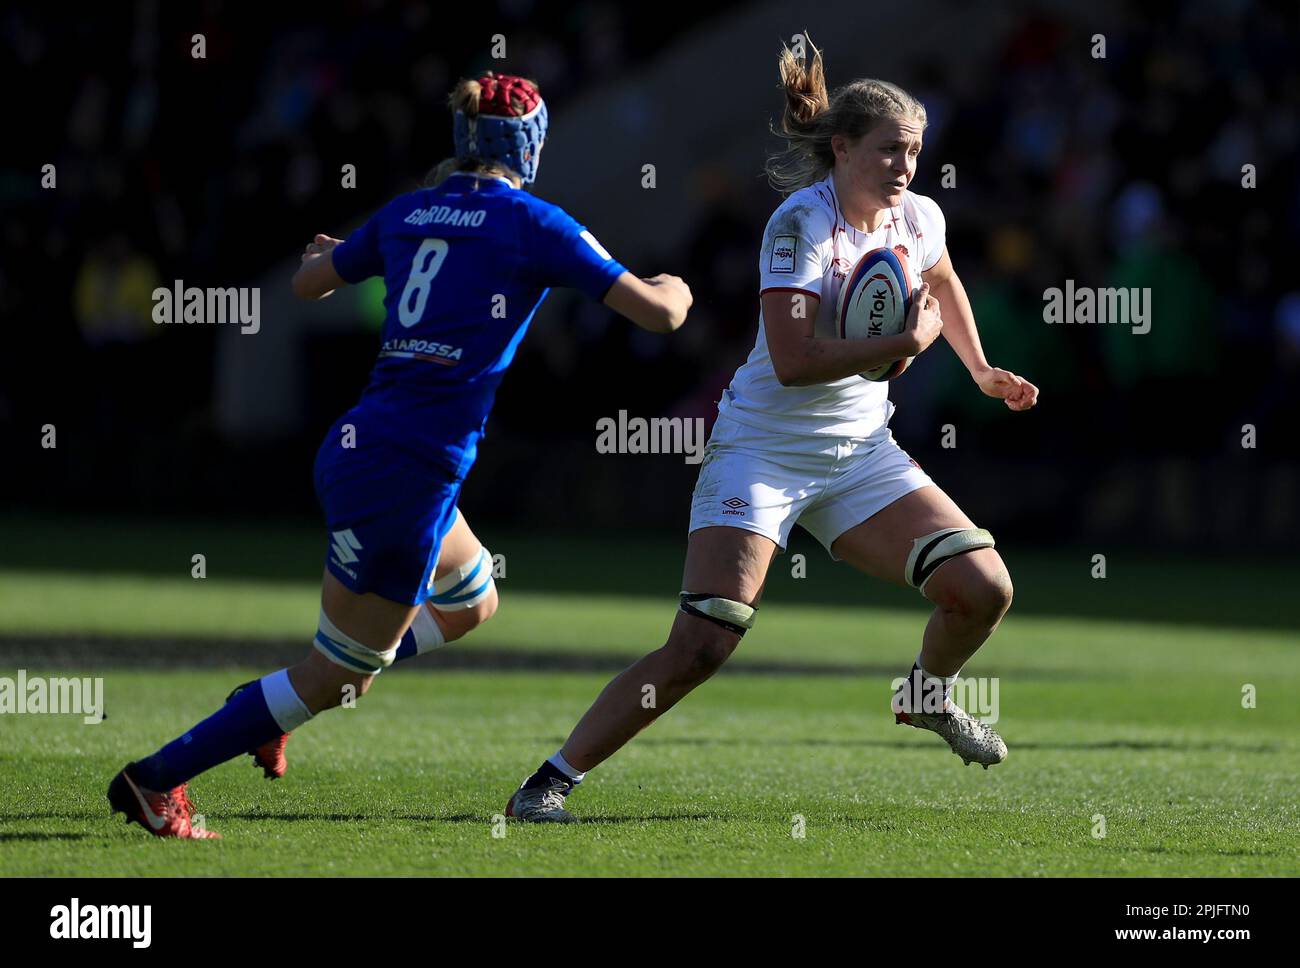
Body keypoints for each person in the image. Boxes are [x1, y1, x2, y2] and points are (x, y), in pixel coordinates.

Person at [108, 72, 693, 838]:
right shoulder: (534, 222)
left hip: (370, 446)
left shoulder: (409, 209)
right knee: (337, 674)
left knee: (473, 598)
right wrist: (676, 286)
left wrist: (340, 253)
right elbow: (659, 317)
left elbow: (308, 283)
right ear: (532, 145)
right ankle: (158, 779)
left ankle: (280, 701)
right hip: (406, 472)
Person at [506, 39, 1038, 823]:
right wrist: (902, 346)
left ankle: (926, 695)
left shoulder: (920, 217)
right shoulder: (799, 225)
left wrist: (981, 367)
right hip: (761, 451)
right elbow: (794, 361)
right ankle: (548, 783)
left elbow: (942, 277)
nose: (904, 167)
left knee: (984, 588)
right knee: (704, 643)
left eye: (916, 152)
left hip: (861, 454)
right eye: (889, 149)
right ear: (843, 146)